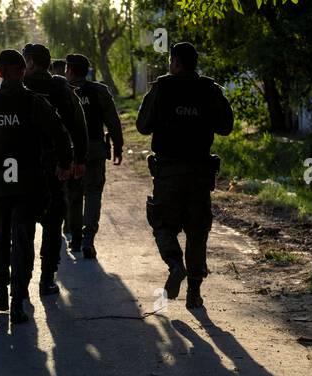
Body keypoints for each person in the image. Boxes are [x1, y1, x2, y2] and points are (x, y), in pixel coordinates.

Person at [0, 49, 72, 323]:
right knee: (22, 240)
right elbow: (59, 134)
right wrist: (65, 163)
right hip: (28, 182)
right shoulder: (35, 103)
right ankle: (19, 298)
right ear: (23, 71)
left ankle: (0, 288)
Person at [135, 41, 233, 309]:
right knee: (197, 230)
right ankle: (195, 292)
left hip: (168, 173)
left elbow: (142, 126)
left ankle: (175, 264)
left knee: (163, 224)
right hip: (200, 173)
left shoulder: (161, 88)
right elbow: (226, 126)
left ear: (176, 62)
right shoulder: (210, 90)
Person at [21, 43, 87, 297]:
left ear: (29, 62)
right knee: (52, 223)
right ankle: (46, 279)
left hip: (23, 168)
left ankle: (21, 284)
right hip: (55, 167)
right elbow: (77, 125)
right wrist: (78, 160)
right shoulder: (60, 87)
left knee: (23, 226)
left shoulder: (20, 86)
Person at [63, 53, 123, 260]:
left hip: (70, 152)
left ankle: (76, 238)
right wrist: (119, 146)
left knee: (73, 194)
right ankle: (89, 239)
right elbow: (113, 121)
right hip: (95, 149)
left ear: (70, 71)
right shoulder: (99, 91)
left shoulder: (63, 92)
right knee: (94, 193)